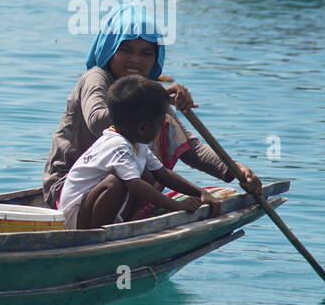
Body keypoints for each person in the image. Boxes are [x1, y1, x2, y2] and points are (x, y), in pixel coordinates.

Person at [42, 1, 262, 216]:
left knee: (211, 194)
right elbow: (98, 121)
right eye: (126, 50)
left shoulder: (148, 91)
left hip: (121, 186)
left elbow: (188, 146)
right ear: (109, 50)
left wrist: (236, 170)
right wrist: (159, 97)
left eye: (146, 53)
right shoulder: (96, 78)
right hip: (70, 190)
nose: (135, 60)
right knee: (121, 181)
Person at [59, 75, 221, 229]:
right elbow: (135, 185)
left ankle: (122, 224)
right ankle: (96, 235)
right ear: (143, 128)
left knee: (147, 176)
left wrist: (200, 193)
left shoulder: (135, 142)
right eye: (159, 124)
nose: (160, 130)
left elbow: (162, 174)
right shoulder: (117, 145)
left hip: (87, 211)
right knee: (115, 182)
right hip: (75, 218)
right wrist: (176, 205)